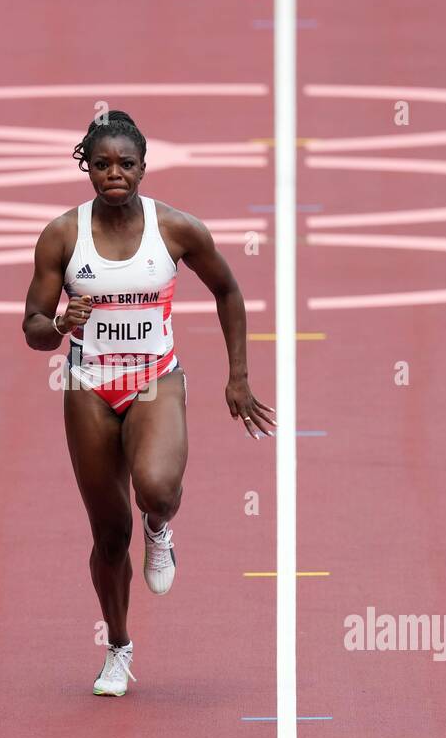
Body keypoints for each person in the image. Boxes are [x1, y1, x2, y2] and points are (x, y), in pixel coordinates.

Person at [22, 111, 276, 696]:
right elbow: (32, 327)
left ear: (143, 166)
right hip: (88, 385)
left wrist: (237, 377)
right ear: (88, 166)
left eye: (126, 164)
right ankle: (118, 646)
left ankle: (159, 527)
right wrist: (60, 323)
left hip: (156, 378)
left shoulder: (177, 229)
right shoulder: (62, 235)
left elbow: (229, 292)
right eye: (104, 164)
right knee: (109, 534)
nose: (116, 174)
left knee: (156, 488)